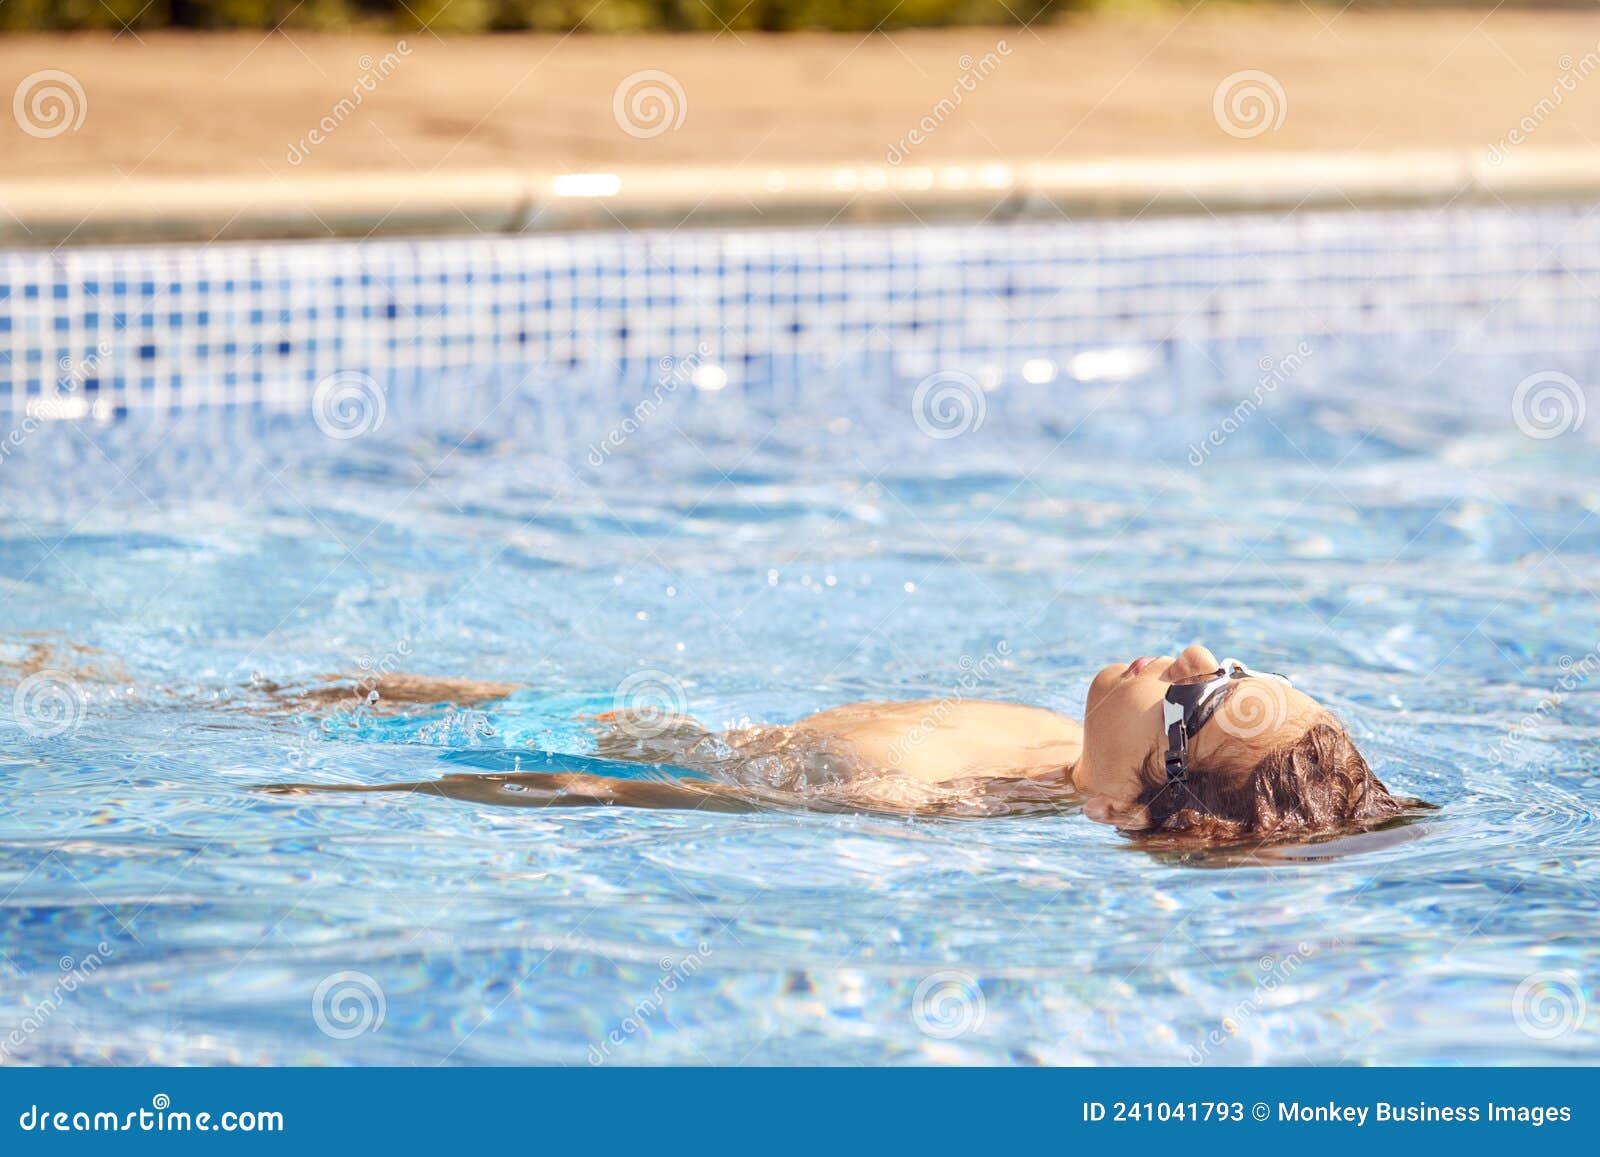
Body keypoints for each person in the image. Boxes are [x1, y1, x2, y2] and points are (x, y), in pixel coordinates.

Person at [261, 644, 1421, 845]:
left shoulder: (893, 794)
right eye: (1228, 663)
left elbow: (598, 790)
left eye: (1201, 694)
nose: (1190, 651)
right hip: (573, 701)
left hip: (519, 734)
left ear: (1131, 800)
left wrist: (369, 779)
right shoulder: (1060, 749)